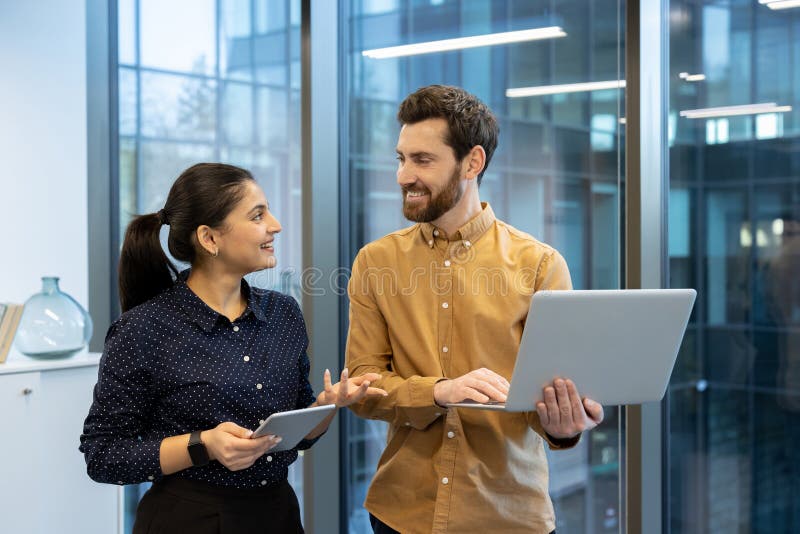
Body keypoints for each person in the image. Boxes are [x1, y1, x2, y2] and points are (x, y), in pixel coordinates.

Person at [345, 85, 605, 533]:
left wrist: (564, 423)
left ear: (473, 162)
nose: (404, 175)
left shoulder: (540, 265)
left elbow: (546, 402)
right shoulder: (376, 262)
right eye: (401, 158)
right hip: (401, 513)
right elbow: (363, 388)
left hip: (507, 516)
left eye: (422, 160)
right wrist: (439, 391)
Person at [80, 162, 385, 534]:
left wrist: (325, 406)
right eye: (258, 215)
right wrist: (203, 444)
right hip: (187, 520)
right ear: (209, 239)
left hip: (279, 515)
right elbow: (104, 456)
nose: (275, 225)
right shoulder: (143, 329)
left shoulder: (283, 313)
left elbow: (295, 433)